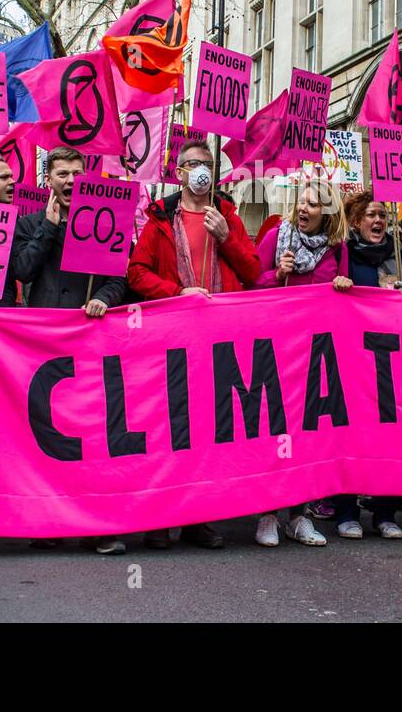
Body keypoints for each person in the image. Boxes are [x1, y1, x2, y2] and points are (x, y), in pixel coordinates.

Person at [128, 138, 260, 550]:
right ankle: (159, 519)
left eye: (207, 164)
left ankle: (198, 518)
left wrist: (228, 238)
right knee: (169, 428)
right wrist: (176, 293)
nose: (201, 170)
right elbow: (137, 273)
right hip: (171, 336)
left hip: (219, 338)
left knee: (208, 430)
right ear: (179, 172)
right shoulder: (160, 220)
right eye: (192, 164)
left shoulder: (228, 217)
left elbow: (254, 271)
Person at [11, 146, 127, 554]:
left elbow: (119, 278)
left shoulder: (104, 222)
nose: (69, 180)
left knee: (91, 435)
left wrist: (105, 301)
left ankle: (98, 525)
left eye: (76, 172)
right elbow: (21, 271)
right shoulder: (27, 223)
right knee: (48, 434)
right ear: (49, 180)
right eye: (61, 173)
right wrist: (48, 227)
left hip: (89, 342)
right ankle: (49, 522)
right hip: (43, 346)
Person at [250, 178, 350, 548]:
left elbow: (346, 292)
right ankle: (267, 514)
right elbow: (249, 287)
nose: (305, 209)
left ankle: (298, 515)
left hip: (315, 353)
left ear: (328, 213)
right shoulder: (278, 235)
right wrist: (275, 275)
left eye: (314, 204)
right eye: (303, 202)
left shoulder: (337, 249)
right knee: (274, 430)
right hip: (276, 350)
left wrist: (343, 284)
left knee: (307, 436)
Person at [328, 190, 402, 541]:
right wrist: (339, 285)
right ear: (358, 220)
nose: (378, 221)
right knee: (350, 434)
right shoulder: (343, 253)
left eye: (383, 216)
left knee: (389, 435)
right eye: (372, 215)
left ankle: (385, 512)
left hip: (390, 358)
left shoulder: (397, 256)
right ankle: (347, 511)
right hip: (351, 358)